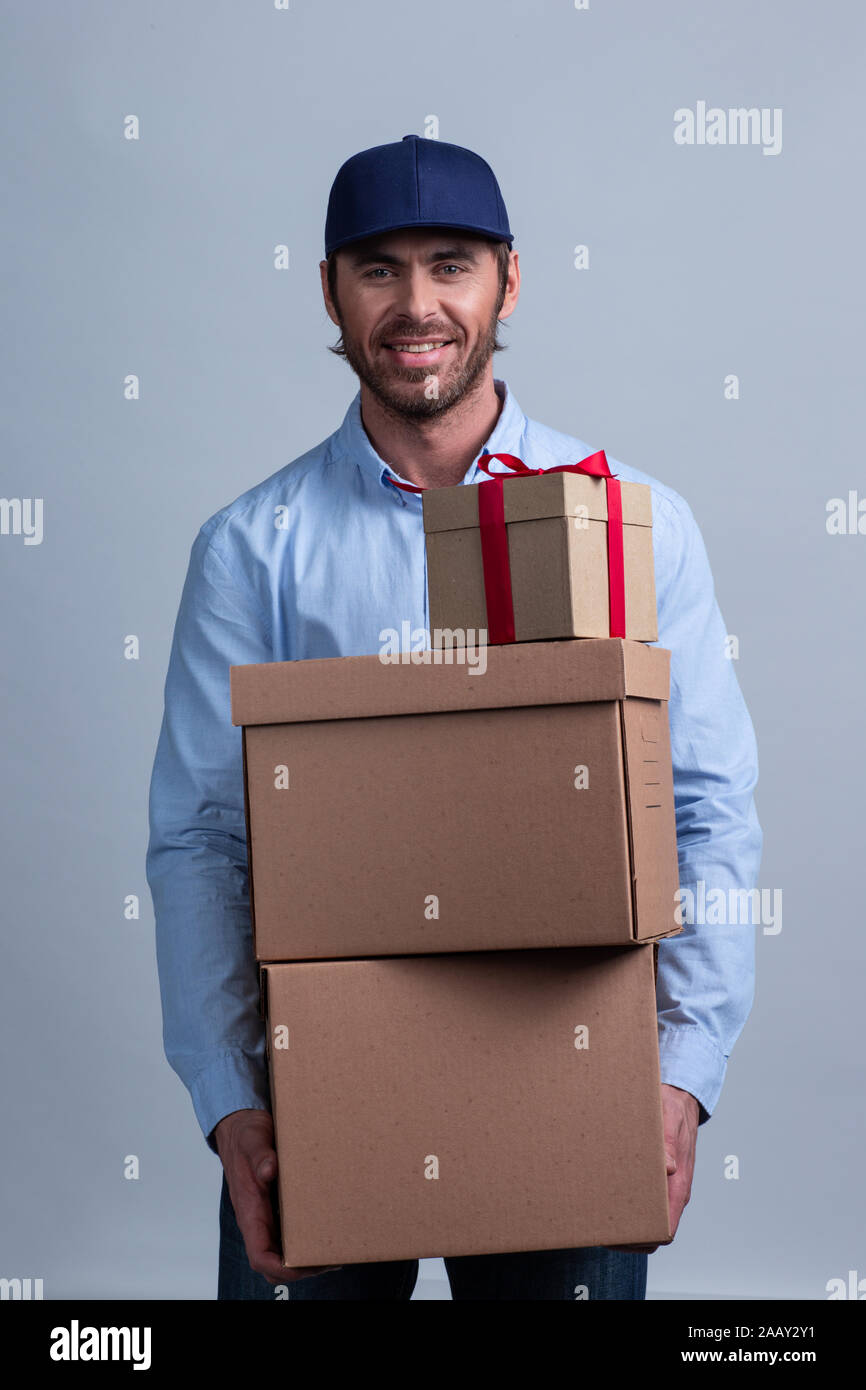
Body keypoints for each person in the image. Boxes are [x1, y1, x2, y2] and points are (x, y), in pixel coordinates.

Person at [146, 134, 762, 1301]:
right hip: (323, 1090)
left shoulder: (631, 525)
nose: (416, 304)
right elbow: (203, 837)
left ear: (508, 281)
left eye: (450, 264)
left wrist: (679, 1074)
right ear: (327, 288)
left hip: (568, 1065)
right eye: (376, 268)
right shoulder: (250, 549)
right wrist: (230, 1101)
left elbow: (704, 807)